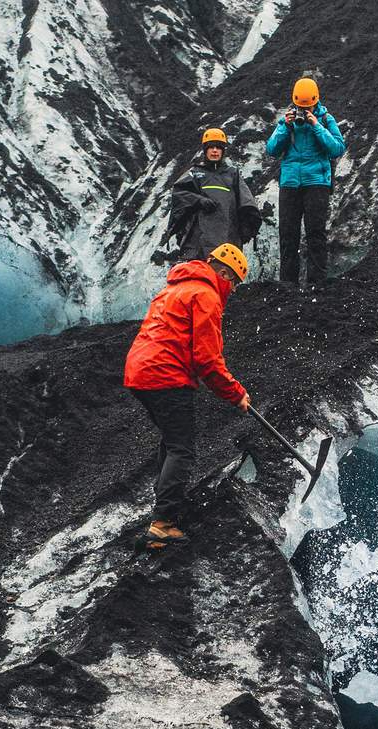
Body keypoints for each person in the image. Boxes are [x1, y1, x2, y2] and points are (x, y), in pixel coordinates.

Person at [124, 243, 252, 548]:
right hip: (166, 375)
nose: (232, 290)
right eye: (233, 282)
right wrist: (236, 394)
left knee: (171, 441)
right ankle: (162, 524)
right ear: (223, 272)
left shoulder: (175, 289)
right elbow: (207, 360)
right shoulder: (206, 296)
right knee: (182, 448)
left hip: (139, 371)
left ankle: (163, 510)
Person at [265, 77, 345, 285]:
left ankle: (316, 284)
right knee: (288, 236)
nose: (304, 109)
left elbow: (337, 148)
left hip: (317, 183)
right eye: (301, 106)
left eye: (307, 106)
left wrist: (316, 125)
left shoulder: (326, 119)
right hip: (290, 183)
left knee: (316, 234)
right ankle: (287, 285)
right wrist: (286, 126)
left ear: (315, 102)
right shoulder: (287, 120)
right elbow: (272, 149)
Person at [169, 128, 262, 262]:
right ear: (205, 150)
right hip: (198, 239)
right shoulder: (195, 173)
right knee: (199, 275)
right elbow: (178, 194)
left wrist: (246, 229)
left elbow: (247, 203)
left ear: (223, 151)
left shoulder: (233, 174)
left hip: (228, 235)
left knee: (223, 274)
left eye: (218, 147)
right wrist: (198, 200)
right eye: (211, 147)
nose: (214, 151)